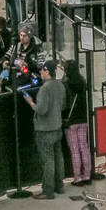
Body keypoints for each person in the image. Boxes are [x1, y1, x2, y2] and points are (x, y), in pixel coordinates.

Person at [22, 59, 65, 199]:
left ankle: (48, 191)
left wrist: (30, 102)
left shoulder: (44, 89)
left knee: (47, 161)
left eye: (41, 70)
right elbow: (63, 106)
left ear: (47, 71)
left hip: (45, 130)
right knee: (58, 158)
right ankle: (60, 186)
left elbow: (41, 110)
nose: (39, 72)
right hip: (57, 127)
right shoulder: (60, 85)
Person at [61, 59, 92, 185]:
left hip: (71, 120)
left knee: (74, 150)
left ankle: (77, 177)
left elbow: (64, 103)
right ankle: (87, 175)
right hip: (83, 118)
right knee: (84, 147)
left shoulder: (66, 84)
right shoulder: (83, 81)